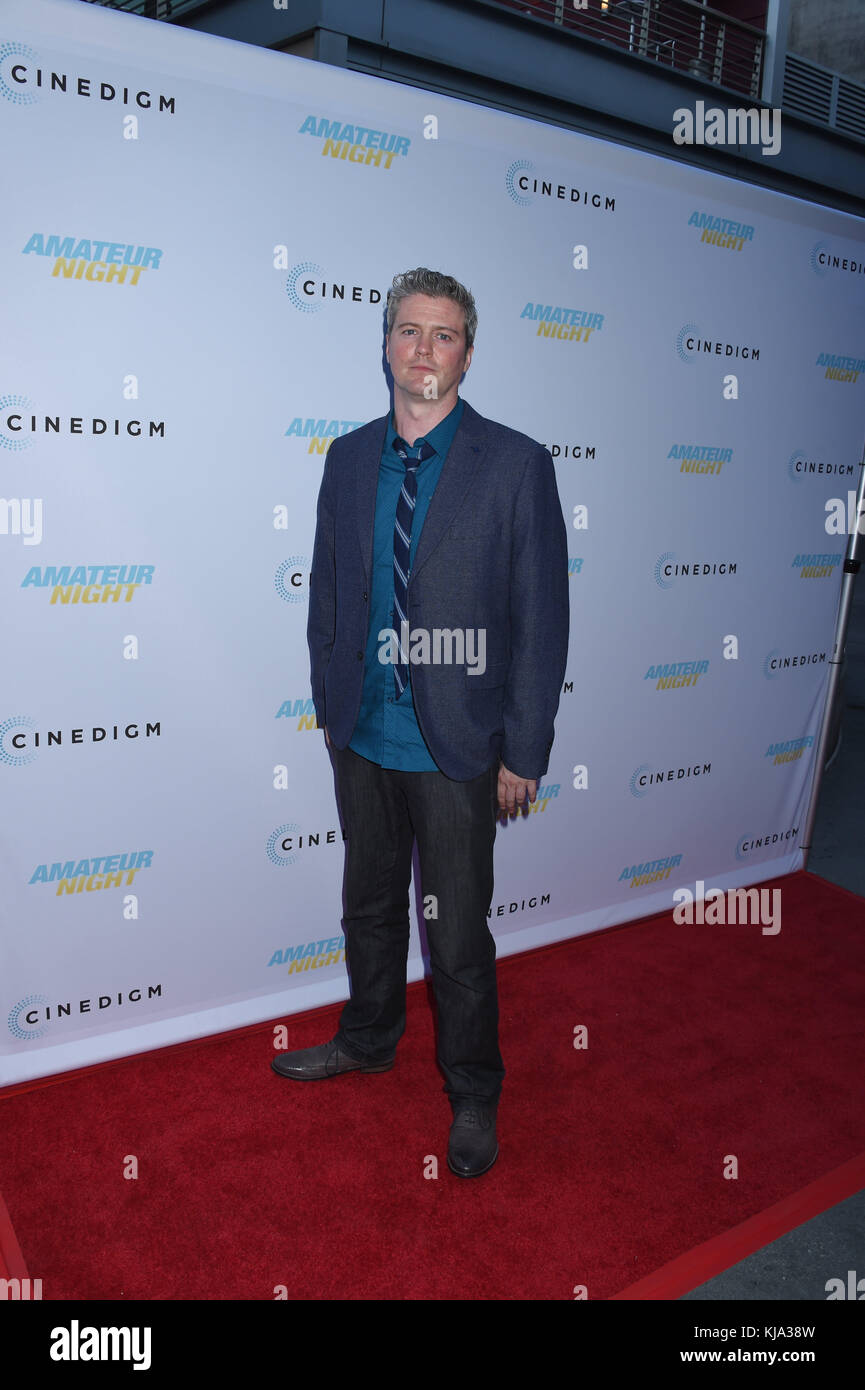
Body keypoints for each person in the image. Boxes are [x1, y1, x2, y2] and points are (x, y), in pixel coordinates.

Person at [272, 267, 569, 1177]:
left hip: (456, 747)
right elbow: (328, 588)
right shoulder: (349, 457)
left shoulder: (515, 465)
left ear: (467, 355)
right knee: (367, 906)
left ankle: (473, 1090)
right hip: (361, 732)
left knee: (456, 934)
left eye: (443, 335)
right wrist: (331, 696)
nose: (423, 350)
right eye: (409, 331)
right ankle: (367, 1038)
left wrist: (522, 748)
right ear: (387, 346)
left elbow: (540, 616)